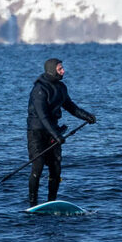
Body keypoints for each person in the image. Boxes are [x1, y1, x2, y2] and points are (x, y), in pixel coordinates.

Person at [26, 57, 96, 207]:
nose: (63, 71)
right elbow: (42, 116)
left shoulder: (61, 87)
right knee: (37, 167)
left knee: (56, 169)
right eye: (60, 69)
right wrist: (56, 135)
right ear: (52, 71)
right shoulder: (39, 89)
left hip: (53, 131)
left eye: (62, 68)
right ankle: (33, 204)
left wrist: (86, 116)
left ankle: (51, 202)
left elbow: (70, 106)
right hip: (37, 132)